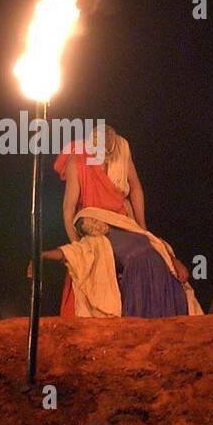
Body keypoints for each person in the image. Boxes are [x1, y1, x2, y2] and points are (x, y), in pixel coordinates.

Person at [39, 207, 202, 318]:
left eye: (94, 221)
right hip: (139, 282)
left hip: (161, 274)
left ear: (100, 217)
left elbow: (157, 243)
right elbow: (72, 253)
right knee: (145, 327)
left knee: (177, 314)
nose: (95, 228)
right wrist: (43, 255)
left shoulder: (128, 225)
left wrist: (176, 262)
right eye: (89, 229)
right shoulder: (97, 243)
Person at [54, 124, 146, 316]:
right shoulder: (77, 162)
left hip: (122, 221)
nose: (104, 158)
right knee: (95, 260)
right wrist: (76, 246)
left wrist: (142, 226)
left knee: (152, 252)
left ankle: (141, 313)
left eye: (107, 153)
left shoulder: (120, 150)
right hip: (91, 225)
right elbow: (68, 208)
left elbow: (135, 186)